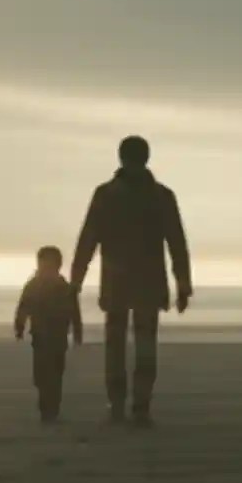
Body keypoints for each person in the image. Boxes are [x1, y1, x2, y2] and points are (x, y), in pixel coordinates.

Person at [71, 135, 191, 427]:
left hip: (119, 282)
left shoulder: (108, 194)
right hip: (144, 282)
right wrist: (183, 284)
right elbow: (176, 243)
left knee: (120, 346)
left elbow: (88, 239)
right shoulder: (160, 195)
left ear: (121, 158)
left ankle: (123, 405)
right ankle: (137, 406)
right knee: (140, 345)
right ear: (146, 158)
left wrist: (76, 280)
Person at [14, 246, 84, 424]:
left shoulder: (65, 287)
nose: (47, 268)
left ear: (58, 265)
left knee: (56, 373)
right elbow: (23, 307)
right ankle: (46, 407)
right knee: (41, 374)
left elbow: (75, 312)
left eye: (51, 264)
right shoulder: (33, 286)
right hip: (40, 336)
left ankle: (52, 409)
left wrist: (77, 332)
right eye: (44, 264)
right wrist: (19, 327)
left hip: (58, 336)